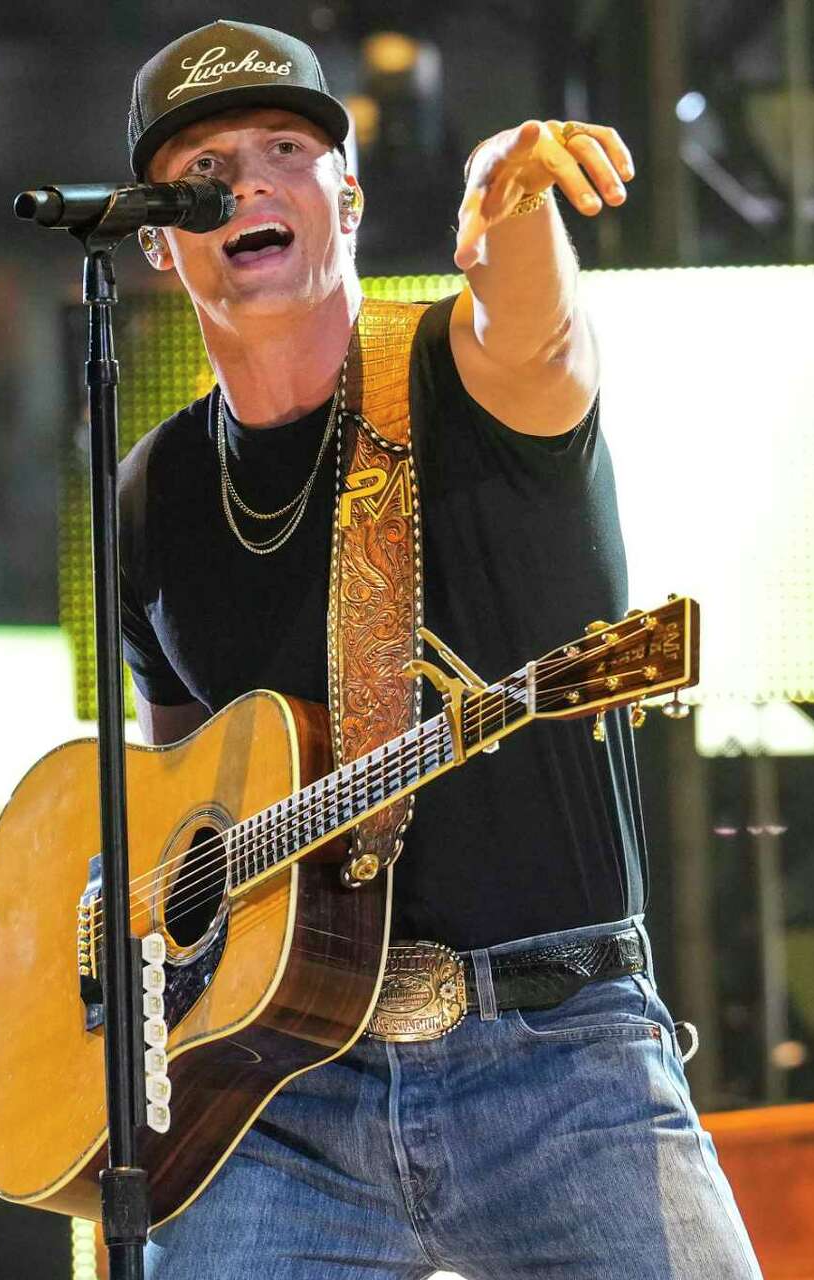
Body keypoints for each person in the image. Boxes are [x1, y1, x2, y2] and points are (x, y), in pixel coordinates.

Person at [112, 18, 762, 1280]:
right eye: (204, 165)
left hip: (556, 1059)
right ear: (156, 235)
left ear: (344, 195)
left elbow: (539, 337)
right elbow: (178, 801)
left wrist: (509, 204)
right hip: (276, 1095)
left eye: (284, 148)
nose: (245, 180)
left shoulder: (464, 375)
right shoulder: (154, 494)